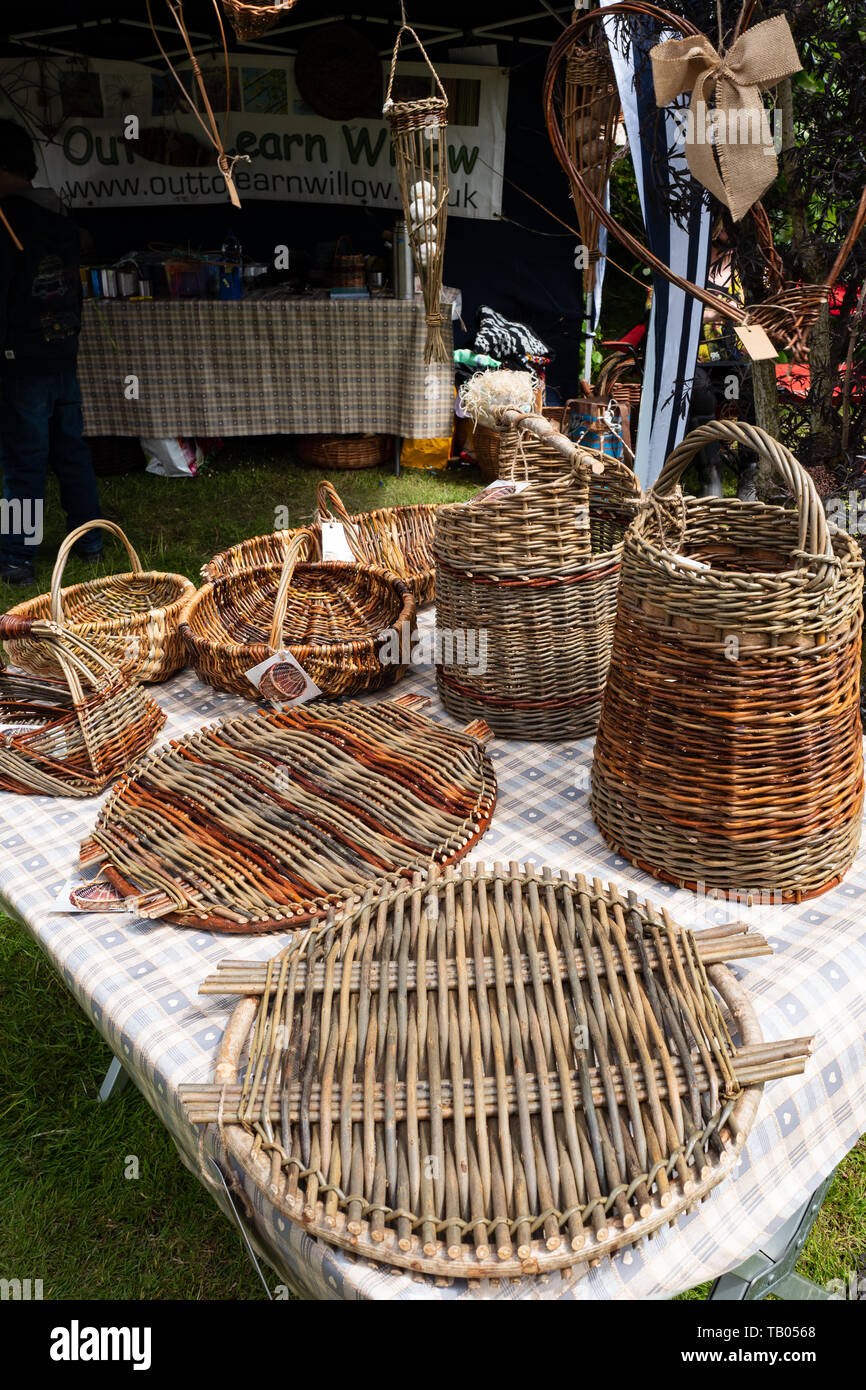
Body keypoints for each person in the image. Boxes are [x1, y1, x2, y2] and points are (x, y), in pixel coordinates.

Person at [0, 119, 102, 585]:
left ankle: (19, 555)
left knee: (25, 458)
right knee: (71, 452)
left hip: (24, 361)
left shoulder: (8, 221)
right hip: (62, 354)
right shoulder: (58, 218)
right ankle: (90, 542)